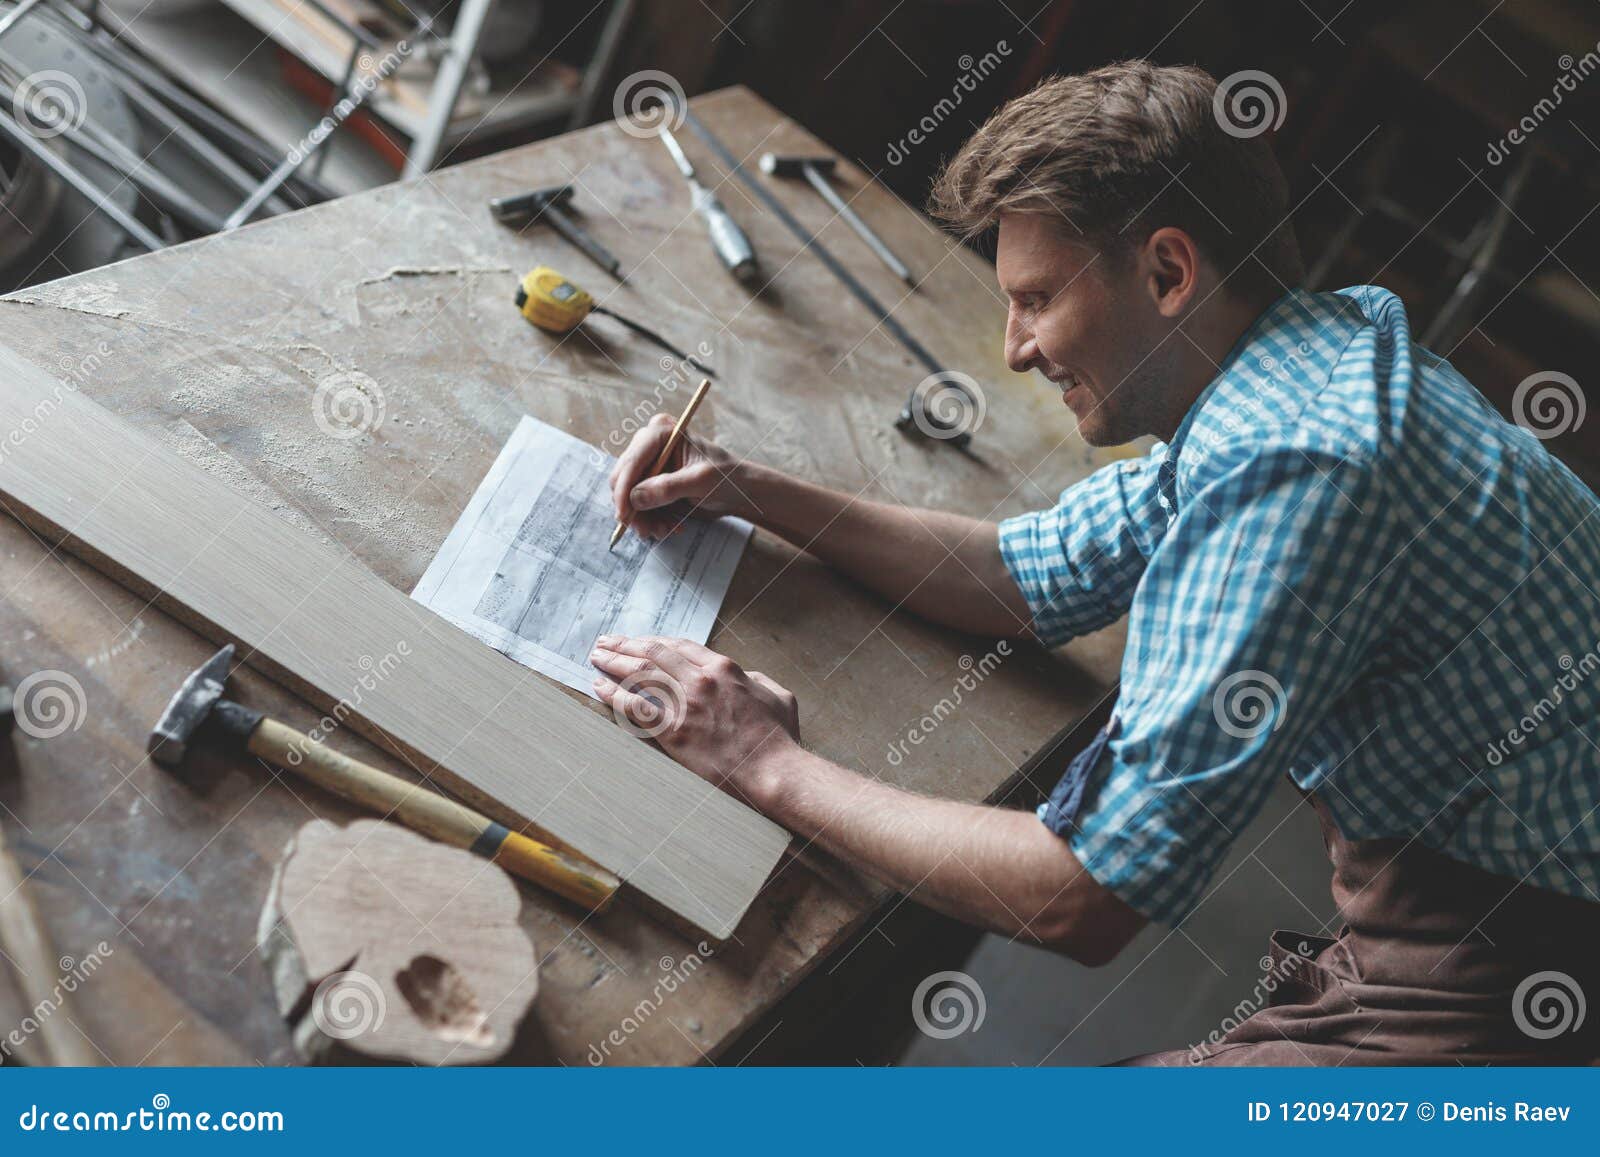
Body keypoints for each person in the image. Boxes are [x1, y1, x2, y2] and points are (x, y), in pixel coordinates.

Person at [591, 61, 1600, 1064]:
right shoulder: (1290, 370)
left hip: (1535, 974)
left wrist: (760, 759)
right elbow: (1027, 572)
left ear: (1167, 273)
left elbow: (1079, 894)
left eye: (1035, 299)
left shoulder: (1298, 467)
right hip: (1480, 900)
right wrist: (746, 488)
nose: (1016, 348)